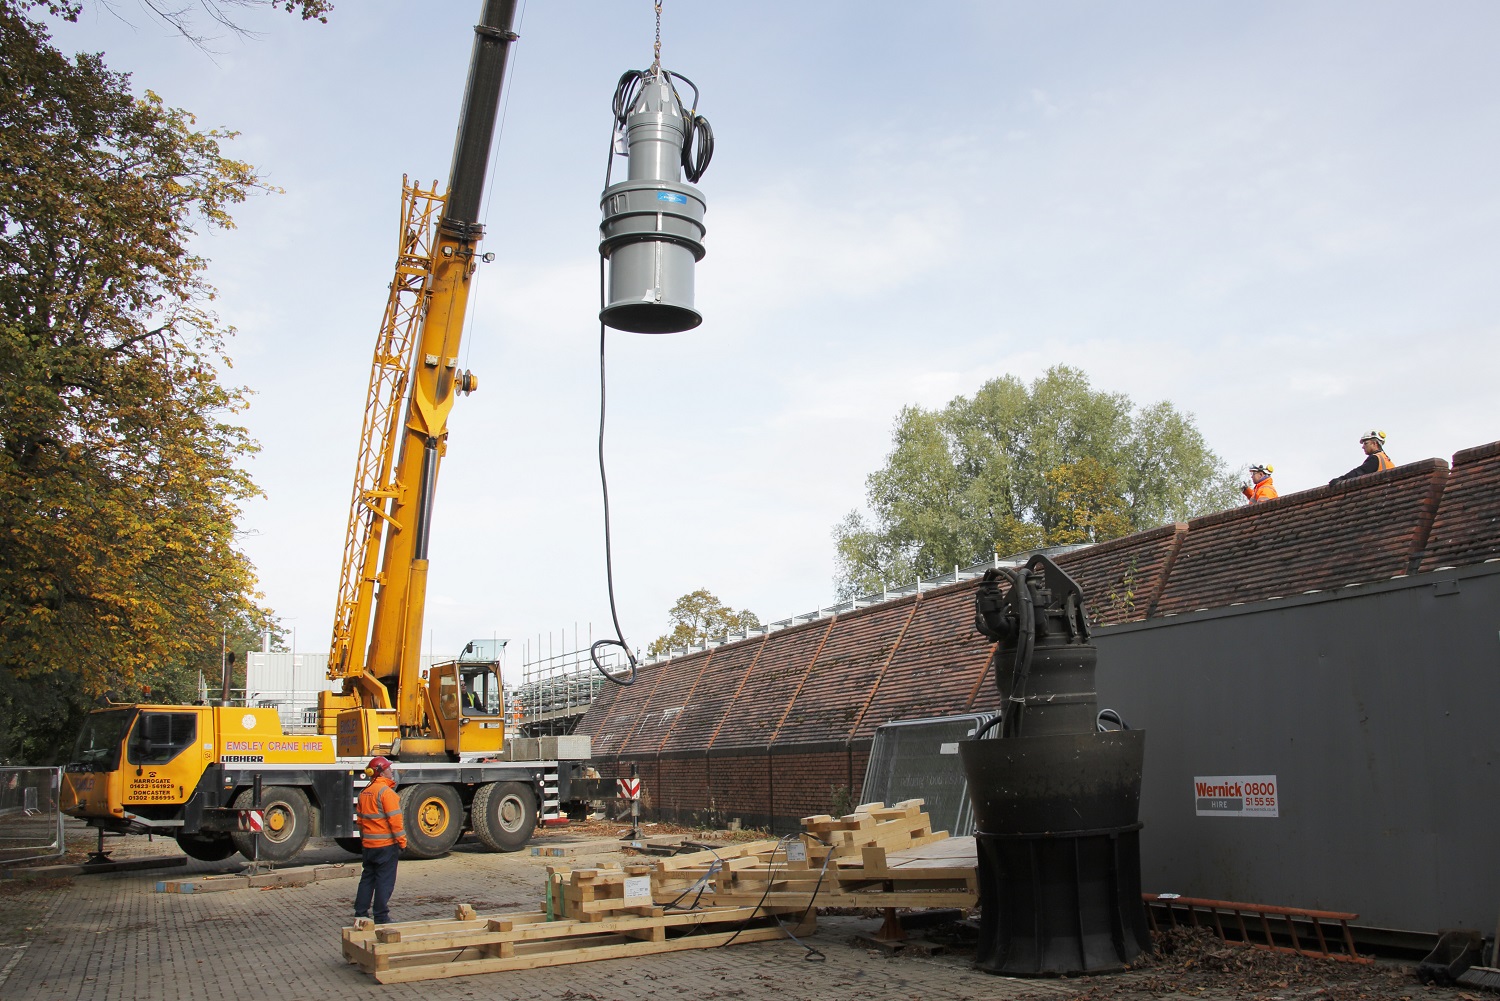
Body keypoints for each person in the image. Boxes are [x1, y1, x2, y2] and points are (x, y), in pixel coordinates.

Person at [354, 756, 405, 925]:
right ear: (381, 772)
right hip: (385, 846)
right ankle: (381, 916)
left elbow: (360, 821)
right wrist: (402, 842)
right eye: (389, 769)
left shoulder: (364, 793)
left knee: (367, 878)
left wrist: (365, 840)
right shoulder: (386, 793)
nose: (392, 772)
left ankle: (361, 914)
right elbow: (395, 821)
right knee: (384, 881)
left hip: (369, 846)